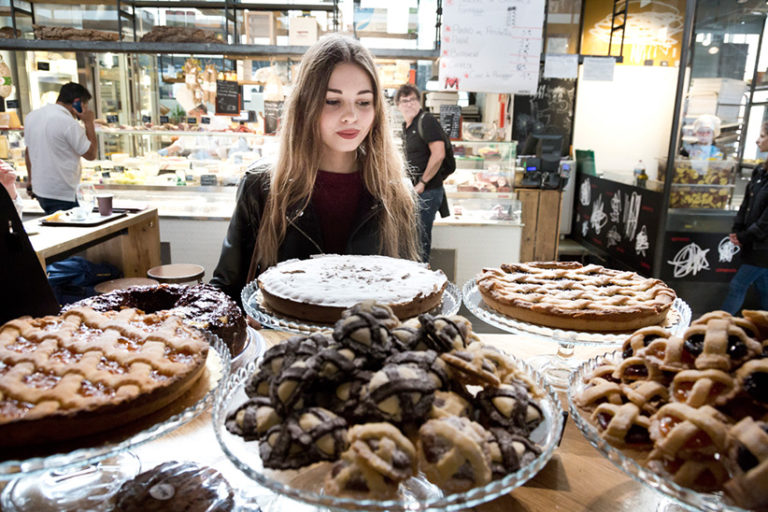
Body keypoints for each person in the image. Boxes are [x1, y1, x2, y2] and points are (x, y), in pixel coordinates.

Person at [210, 35, 420, 304]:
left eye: (363, 102)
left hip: (368, 333)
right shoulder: (261, 186)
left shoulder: (397, 194)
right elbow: (226, 290)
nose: (351, 116)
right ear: (305, 104)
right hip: (280, 332)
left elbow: (412, 292)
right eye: (332, 101)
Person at [24, 82, 98, 214]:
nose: (86, 109)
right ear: (77, 102)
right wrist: (88, 122)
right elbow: (91, 154)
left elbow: (28, 151)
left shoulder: (32, 116)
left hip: (41, 191)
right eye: (85, 105)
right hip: (62, 194)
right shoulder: (68, 123)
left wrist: (30, 180)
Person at [395, 84, 447, 262]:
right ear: (398, 105)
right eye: (404, 101)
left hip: (427, 191)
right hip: (415, 190)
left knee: (419, 242)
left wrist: (422, 183)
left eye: (413, 99)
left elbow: (439, 154)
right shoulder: (407, 126)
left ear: (419, 102)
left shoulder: (426, 121)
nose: (409, 104)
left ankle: (422, 276)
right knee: (412, 240)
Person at [721, 121, 768, 314]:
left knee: (738, 285)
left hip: (763, 247)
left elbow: (766, 222)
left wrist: (744, 236)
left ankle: (717, 325)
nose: (758, 140)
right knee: (764, 287)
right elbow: (746, 204)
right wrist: (737, 230)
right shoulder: (760, 171)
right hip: (753, 243)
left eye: (763, 136)